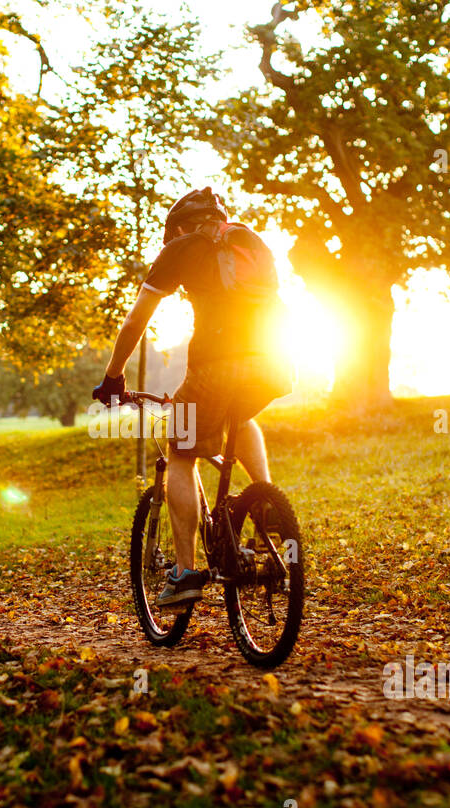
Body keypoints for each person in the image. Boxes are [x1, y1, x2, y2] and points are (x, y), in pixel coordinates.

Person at [92, 186, 293, 606]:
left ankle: (184, 574)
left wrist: (113, 378)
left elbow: (135, 322)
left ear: (180, 226)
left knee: (180, 449)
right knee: (240, 416)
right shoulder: (250, 241)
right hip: (274, 363)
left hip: (218, 364)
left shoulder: (183, 245)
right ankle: (264, 498)